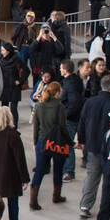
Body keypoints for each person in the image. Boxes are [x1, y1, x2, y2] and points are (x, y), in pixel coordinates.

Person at [76, 73, 110, 219]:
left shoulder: (90, 102)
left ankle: (85, 205)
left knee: (92, 175)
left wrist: (82, 140)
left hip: (92, 145)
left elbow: (82, 122)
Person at [28, 81, 68, 212]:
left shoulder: (39, 105)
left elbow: (36, 126)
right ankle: (56, 195)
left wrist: (35, 142)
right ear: (56, 92)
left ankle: (33, 200)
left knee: (40, 169)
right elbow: (62, 127)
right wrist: (69, 141)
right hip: (56, 142)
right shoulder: (60, 107)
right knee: (58, 168)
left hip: (42, 142)